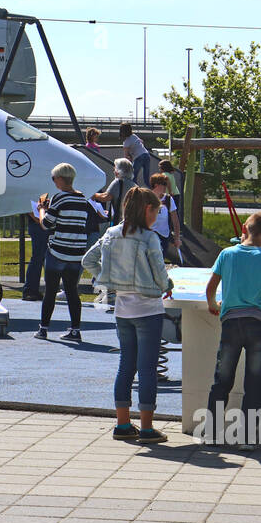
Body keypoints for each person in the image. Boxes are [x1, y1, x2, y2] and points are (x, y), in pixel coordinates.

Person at [83, 187, 173, 443]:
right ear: (148, 210)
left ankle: (122, 423)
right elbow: (159, 274)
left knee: (126, 365)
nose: (157, 217)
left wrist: (107, 277)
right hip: (148, 310)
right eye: (157, 211)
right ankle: (147, 427)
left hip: (122, 310)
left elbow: (87, 260)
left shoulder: (111, 233)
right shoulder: (149, 238)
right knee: (147, 368)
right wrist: (168, 285)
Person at [203, 213, 261, 449]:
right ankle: (247, 437)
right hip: (256, 322)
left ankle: (212, 433)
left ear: (244, 229)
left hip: (230, 322)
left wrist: (213, 305)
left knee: (222, 379)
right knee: (255, 382)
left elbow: (211, 288)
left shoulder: (226, 254)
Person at [37, 163, 91, 342]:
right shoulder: (82, 198)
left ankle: (43, 328)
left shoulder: (59, 198)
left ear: (60, 179)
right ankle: (75, 330)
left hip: (58, 250)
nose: (53, 182)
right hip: (76, 252)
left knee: (50, 291)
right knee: (72, 291)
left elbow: (46, 224)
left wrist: (41, 209)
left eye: (54, 178)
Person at [92, 157, 135, 226]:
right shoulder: (134, 185)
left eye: (115, 169)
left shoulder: (118, 182)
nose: (114, 171)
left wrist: (93, 195)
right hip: (131, 222)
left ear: (119, 171)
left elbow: (105, 197)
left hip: (120, 223)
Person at [148, 173, 181, 261]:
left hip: (163, 235)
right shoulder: (146, 198)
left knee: (160, 261)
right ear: (156, 185)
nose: (165, 187)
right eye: (164, 184)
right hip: (148, 234)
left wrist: (177, 238)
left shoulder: (168, 199)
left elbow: (175, 220)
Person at [22, 198, 48, 301]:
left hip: (40, 225)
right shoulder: (29, 195)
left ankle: (32, 290)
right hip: (38, 226)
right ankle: (30, 290)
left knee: (40, 259)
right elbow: (29, 210)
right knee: (37, 259)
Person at [119, 122, 153, 187]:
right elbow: (141, 141)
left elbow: (126, 156)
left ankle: (136, 191)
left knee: (133, 177)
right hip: (146, 154)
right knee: (146, 178)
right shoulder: (134, 136)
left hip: (139, 157)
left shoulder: (126, 142)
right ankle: (152, 192)